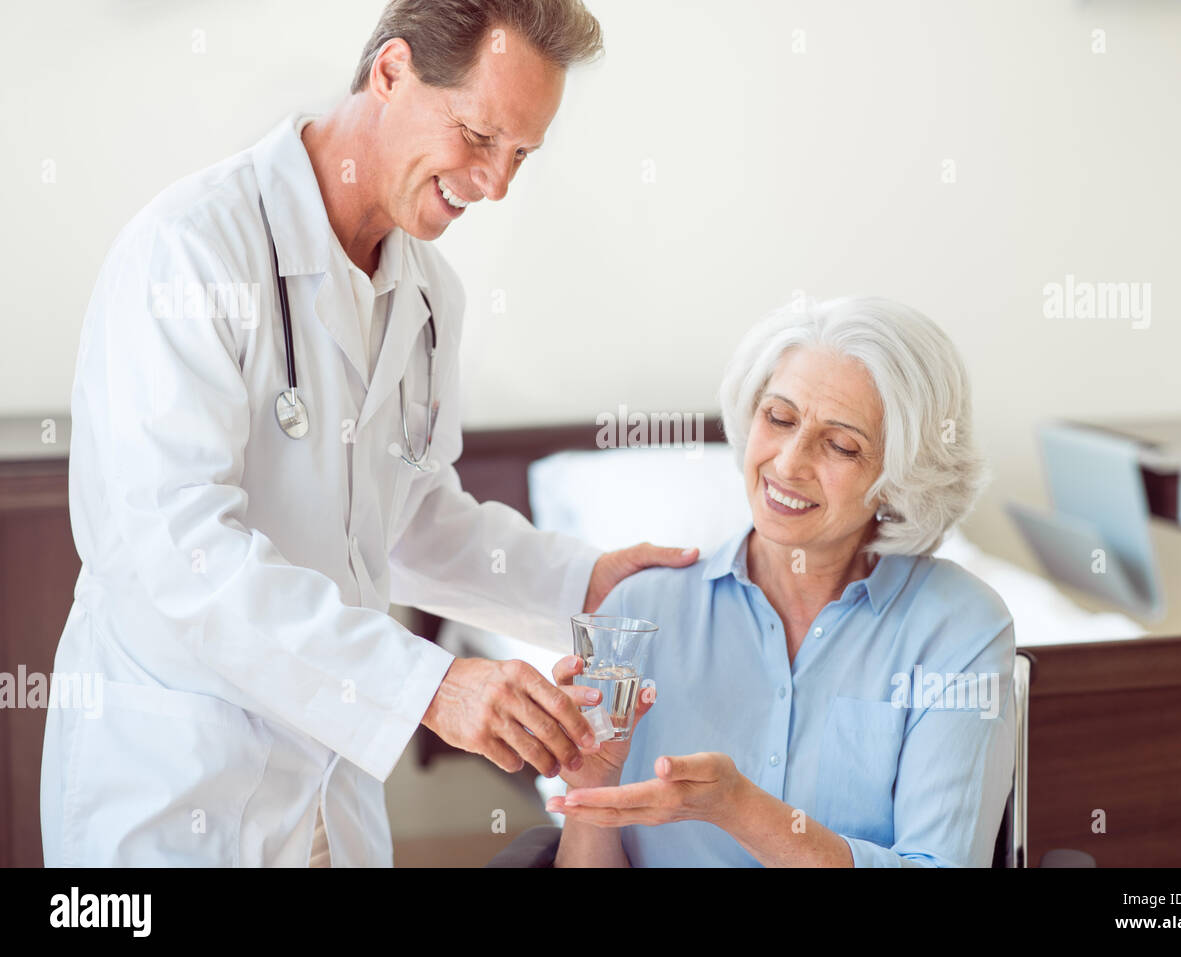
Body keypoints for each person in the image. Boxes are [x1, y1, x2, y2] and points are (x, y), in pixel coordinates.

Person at [40, 0, 699, 868]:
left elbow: (413, 518)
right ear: (390, 74)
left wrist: (583, 581)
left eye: (521, 155)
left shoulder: (429, 300)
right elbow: (177, 549)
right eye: (477, 135)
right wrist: (429, 685)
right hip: (176, 785)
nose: (496, 183)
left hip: (328, 794)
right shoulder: (191, 251)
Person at [545, 296, 1016, 867]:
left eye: (841, 444)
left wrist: (741, 809)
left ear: (899, 478)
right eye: (780, 418)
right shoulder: (640, 610)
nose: (789, 463)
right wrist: (592, 788)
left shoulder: (958, 629)